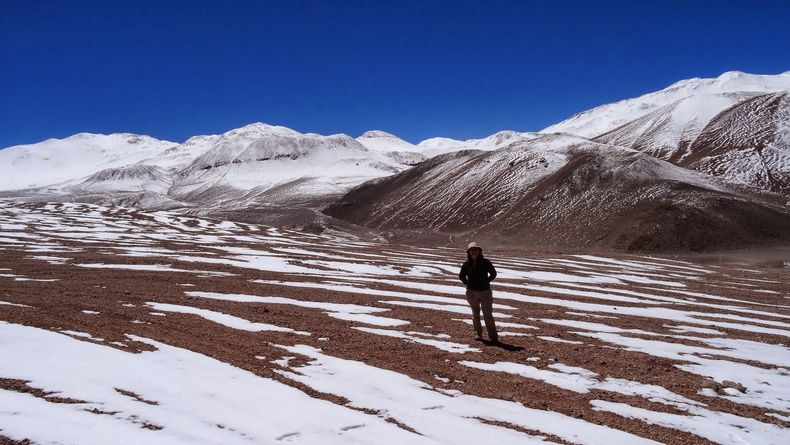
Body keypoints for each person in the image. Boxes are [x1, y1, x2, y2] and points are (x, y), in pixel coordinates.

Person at [458, 242, 498, 342]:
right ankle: (478, 334)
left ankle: (493, 336)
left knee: (487, 314)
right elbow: (461, 276)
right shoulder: (466, 264)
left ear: (479, 251)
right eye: (472, 250)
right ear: (469, 252)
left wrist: (486, 281)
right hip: (471, 292)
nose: (474, 252)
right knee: (475, 314)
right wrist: (468, 283)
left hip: (485, 292)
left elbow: (493, 273)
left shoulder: (485, 262)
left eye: (476, 250)